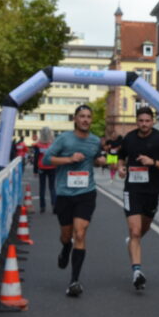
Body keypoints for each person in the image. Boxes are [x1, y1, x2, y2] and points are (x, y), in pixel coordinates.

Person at [42, 105, 107, 297]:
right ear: (75, 119)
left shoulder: (95, 140)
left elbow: (98, 157)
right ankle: (65, 247)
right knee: (66, 235)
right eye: (82, 116)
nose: (85, 120)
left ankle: (74, 281)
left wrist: (102, 161)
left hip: (86, 193)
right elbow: (46, 159)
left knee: (80, 233)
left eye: (88, 117)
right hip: (64, 193)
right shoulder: (64, 139)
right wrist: (69, 159)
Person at [117, 107, 159, 290]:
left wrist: (153, 162)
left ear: (152, 121)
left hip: (152, 191)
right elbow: (120, 156)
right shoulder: (129, 138)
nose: (144, 124)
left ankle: (132, 242)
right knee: (135, 231)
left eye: (147, 121)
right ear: (137, 121)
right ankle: (137, 272)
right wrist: (120, 167)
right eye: (141, 121)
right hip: (132, 190)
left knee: (144, 228)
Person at [33, 127, 57, 213]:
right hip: (52, 167)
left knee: (42, 187)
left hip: (42, 167)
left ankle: (42, 206)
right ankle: (54, 205)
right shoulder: (53, 144)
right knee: (52, 187)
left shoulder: (38, 145)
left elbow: (36, 158)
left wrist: (35, 170)